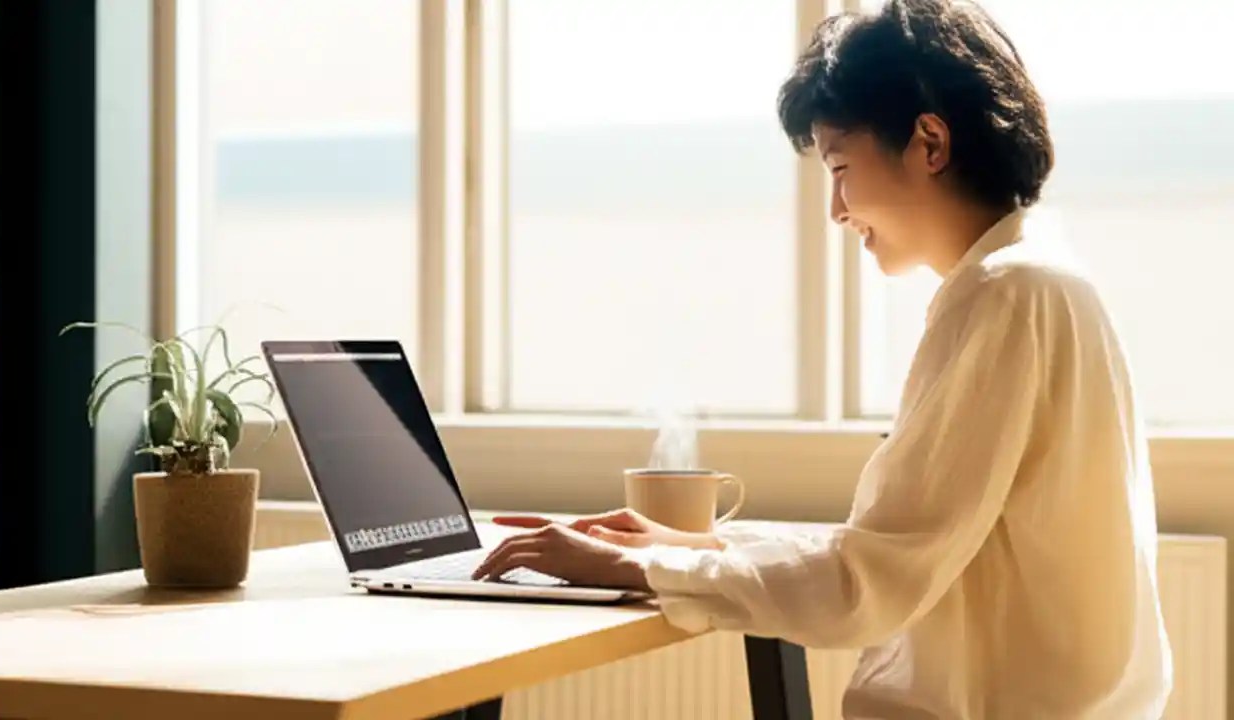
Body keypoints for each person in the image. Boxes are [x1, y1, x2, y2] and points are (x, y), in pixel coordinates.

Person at [472, 0, 1173, 716]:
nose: (837, 209)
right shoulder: (1044, 278)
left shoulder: (1005, 295)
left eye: (840, 167)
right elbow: (899, 547)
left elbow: (869, 584)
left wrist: (645, 566)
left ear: (929, 143)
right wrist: (702, 544)